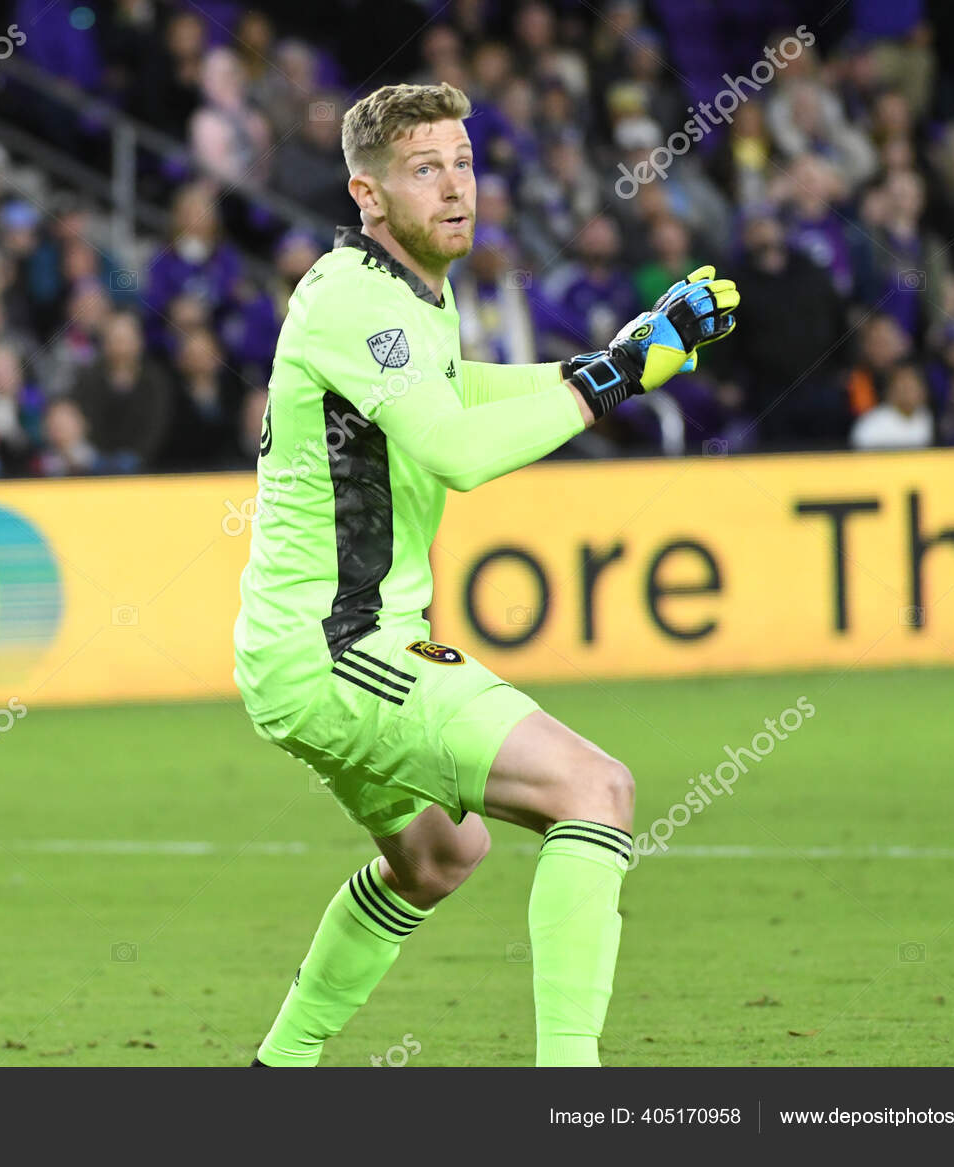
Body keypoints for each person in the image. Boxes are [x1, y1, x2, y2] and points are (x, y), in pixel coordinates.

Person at [234, 82, 738, 1068]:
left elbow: (461, 387)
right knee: (594, 790)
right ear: (367, 194)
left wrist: (624, 352)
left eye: (463, 163)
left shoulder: (414, 293)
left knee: (436, 856)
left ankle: (275, 1075)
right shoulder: (351, 299)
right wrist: (615, 380)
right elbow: (454, 447)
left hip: (311, 649)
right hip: (338, 648)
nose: (456, 188)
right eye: (425, 170)